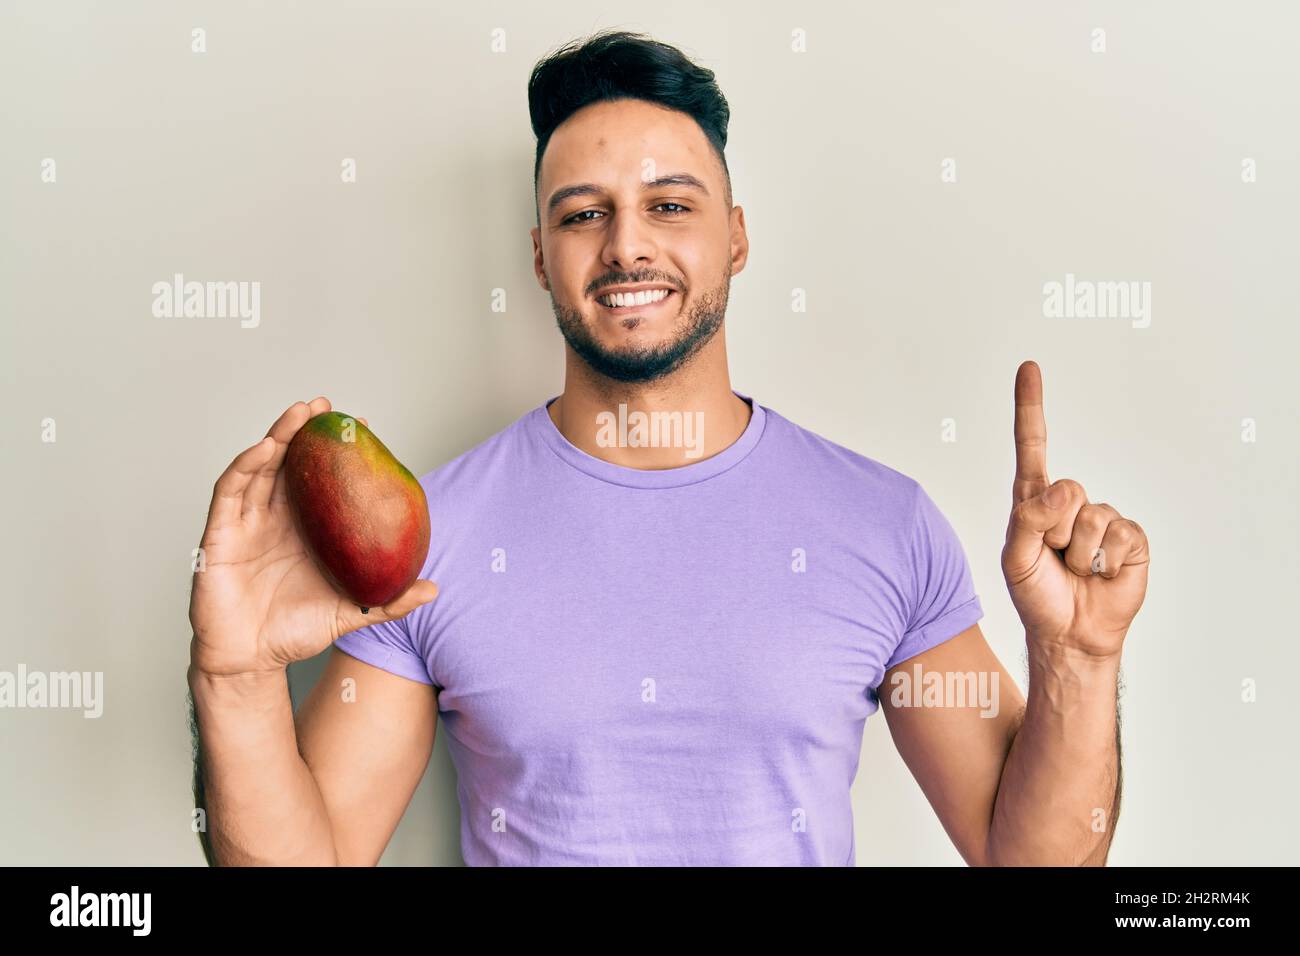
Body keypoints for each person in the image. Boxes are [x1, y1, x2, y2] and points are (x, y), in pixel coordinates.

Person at [188, 30, 1150, 866]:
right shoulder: (429, 540)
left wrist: (1077, 660)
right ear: (539, 255)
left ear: (735, 239)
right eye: (583, 213)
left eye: (671, 206)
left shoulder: (882, 523)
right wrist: (234, 679)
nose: (626, 246)